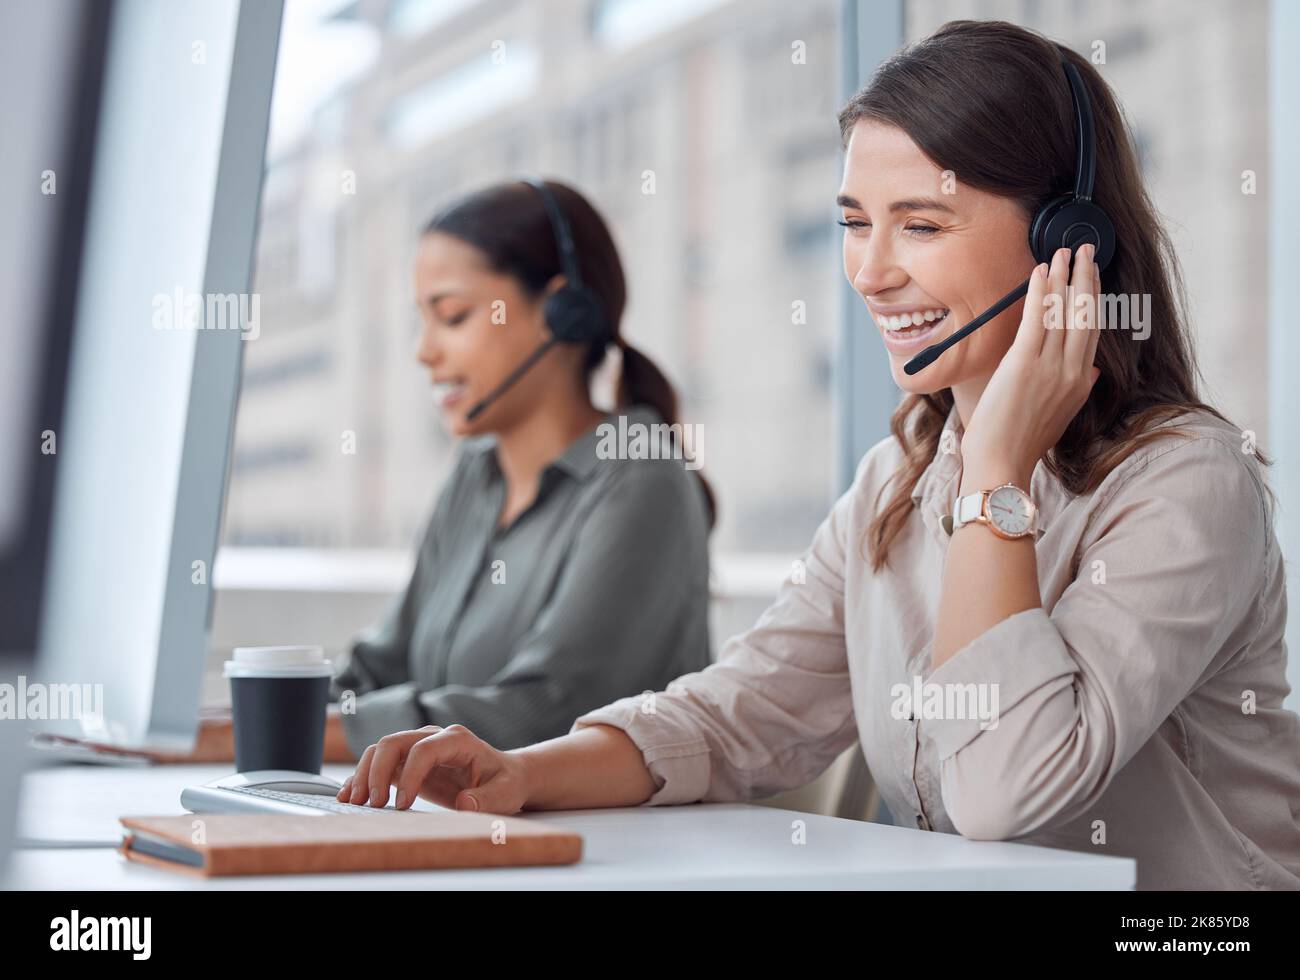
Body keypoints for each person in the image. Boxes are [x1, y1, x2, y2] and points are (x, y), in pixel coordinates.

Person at [335, 22, 1300, 890]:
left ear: (1067, 240)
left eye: (920, 224)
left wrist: (998, 480)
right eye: (852, 222)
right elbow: (741, 714)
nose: (870, 272)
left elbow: (1005, 791)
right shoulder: (898, 481)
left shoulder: (1184, 482)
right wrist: (524, 771)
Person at [321, 177, 715, 757]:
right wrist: (252, 718)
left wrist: (306, 735)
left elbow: (547, 710)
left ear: (560, 313)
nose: (423, 352)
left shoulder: (639, 474)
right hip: (467, 828)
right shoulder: (476, 474)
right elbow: (381, 666)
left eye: (452, 316)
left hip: (607, 842)